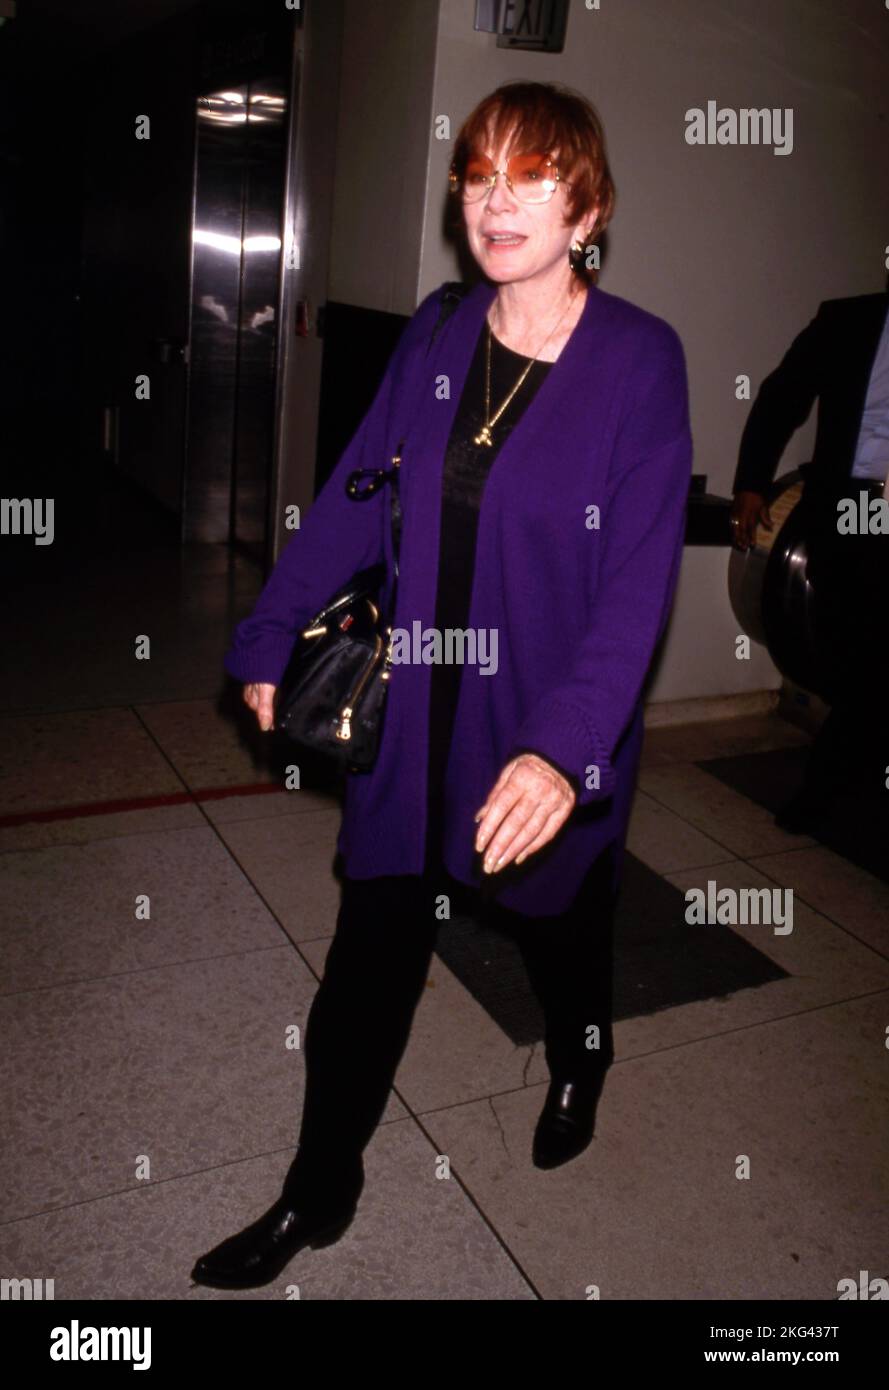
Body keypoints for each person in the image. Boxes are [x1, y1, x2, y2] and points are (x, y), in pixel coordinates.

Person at [191, 80, 692, 1290]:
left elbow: (636, 594)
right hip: (412, 718)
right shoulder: (435, 335)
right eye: (478, 174)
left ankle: (581, 1055)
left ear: (588, 206)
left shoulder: (639, 363)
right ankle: (320, 1191)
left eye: (532, 174)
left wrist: (559, 750)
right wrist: (267, 629)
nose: (497, 198)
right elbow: (359, 494)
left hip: (542, 733)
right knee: (368, 962)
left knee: (562, 932)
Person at [729, 286, 889, 831]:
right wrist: (752, 483)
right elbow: (781, 398)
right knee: (852, 645)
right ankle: (838, 785)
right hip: (854, 503)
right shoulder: (849, 321)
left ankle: (830, 787)